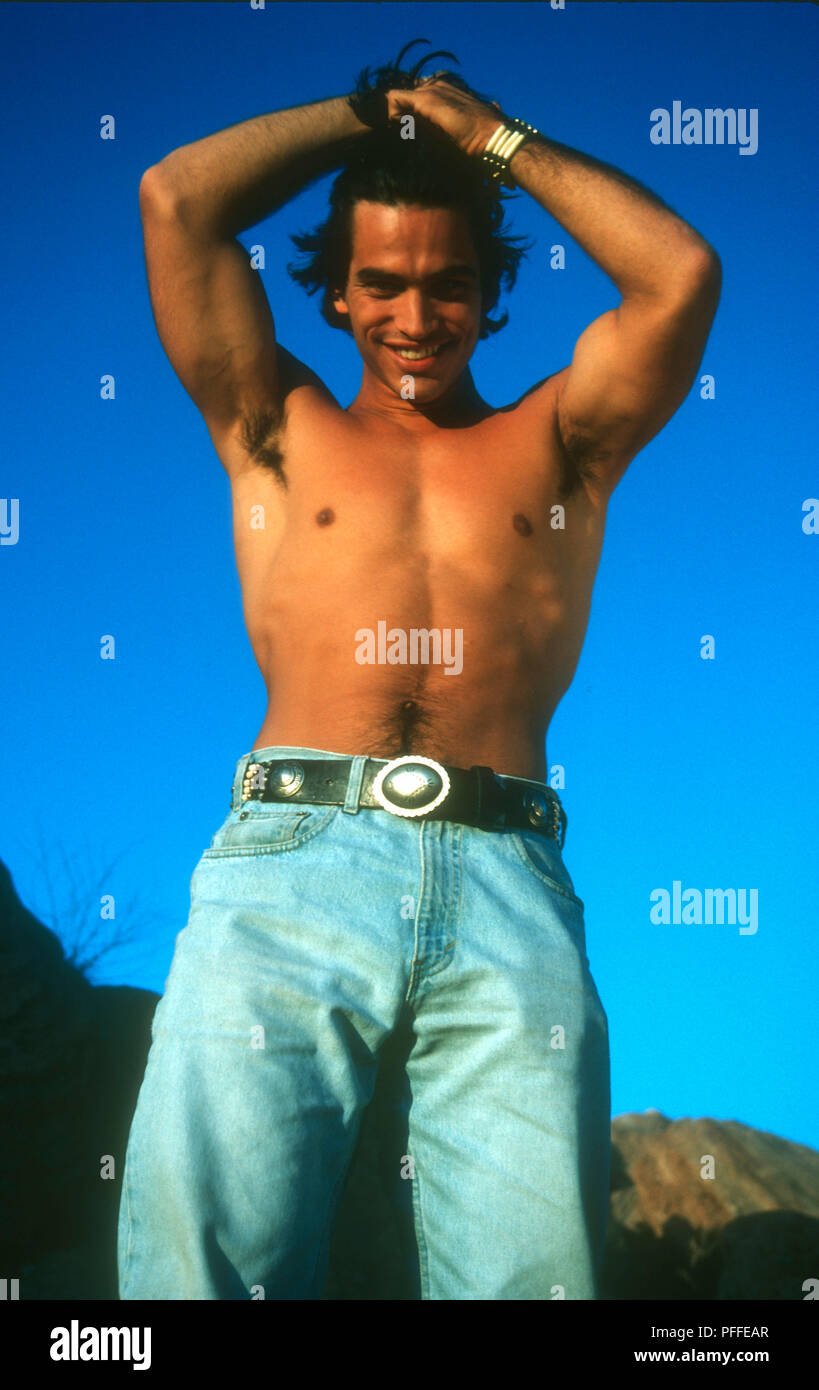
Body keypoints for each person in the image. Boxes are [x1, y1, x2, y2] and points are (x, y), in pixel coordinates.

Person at [118, 40, 720, 1300]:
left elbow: (679, 275)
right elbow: (176, 197)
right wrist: (364, 118)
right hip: (292, 862)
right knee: (202, 1276)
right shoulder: (274, 422)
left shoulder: (557, 441)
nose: (412, 318)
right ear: (333, 293)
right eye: (379, 285)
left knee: (532, 1279)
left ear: (492, 292)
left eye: (448, 287)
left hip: (507, 875)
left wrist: (493, 139)